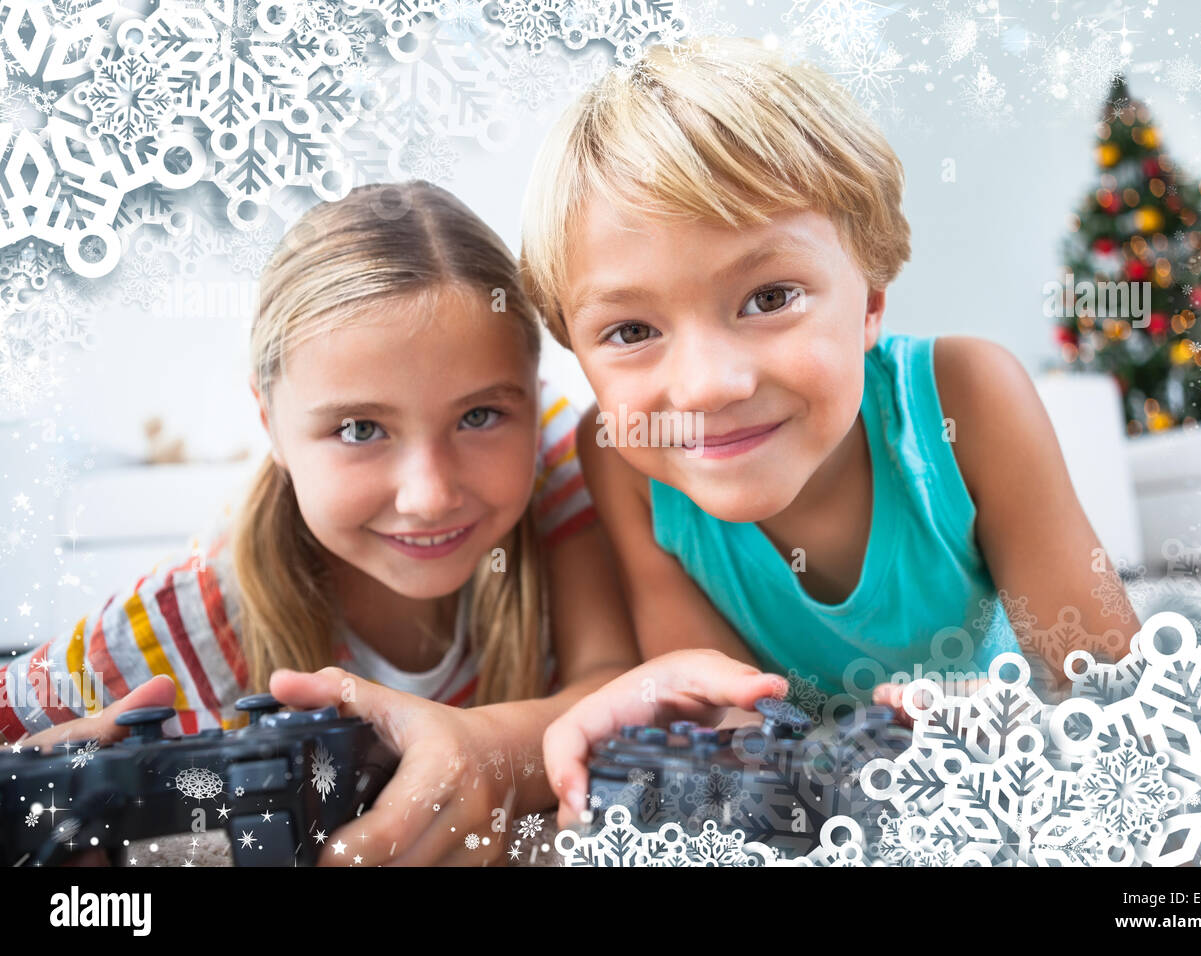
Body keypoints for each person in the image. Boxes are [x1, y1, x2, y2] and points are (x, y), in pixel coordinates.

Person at [518, 38, 1140, 823]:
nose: (710, 386)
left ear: (872, 300)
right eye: (632, 330)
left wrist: (1029, 725)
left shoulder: (967, 399)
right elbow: (731, 716)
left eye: (771, 297)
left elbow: (1121, 694)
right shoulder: (623, 465)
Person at [3, 181, 640, 864]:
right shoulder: (174, 624)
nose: (428, 496)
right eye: (360, 428)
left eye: (479, 416)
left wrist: (492, 755)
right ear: (270, 424)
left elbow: (614, 680)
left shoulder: (551, 461)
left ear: (533, 392)